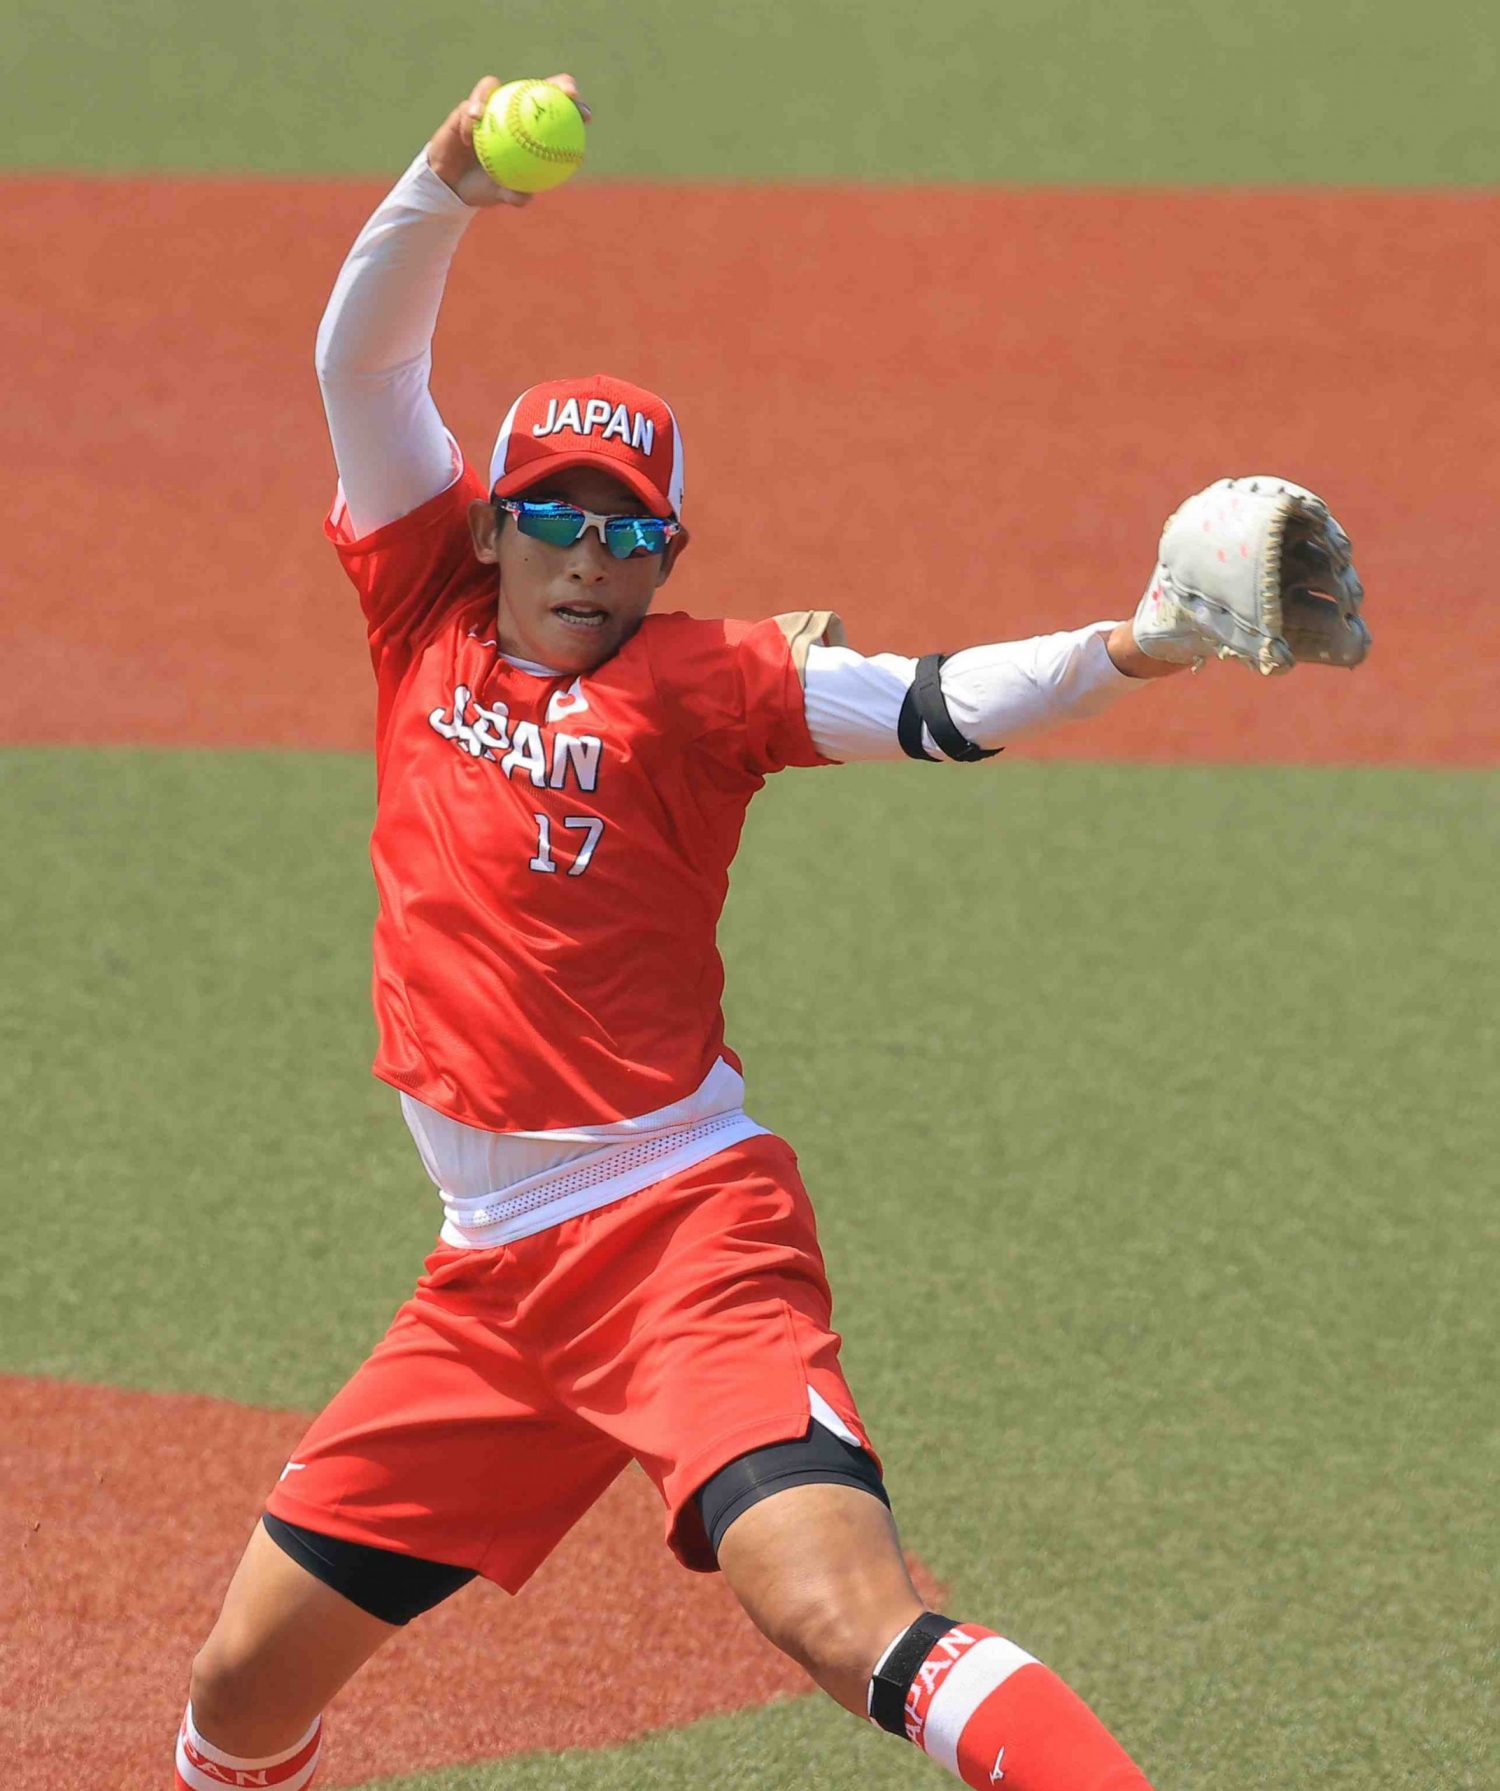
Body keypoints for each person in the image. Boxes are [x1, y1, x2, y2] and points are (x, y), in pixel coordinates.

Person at [171, 72, 1365, 1791]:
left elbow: (942, 703)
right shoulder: (418, 602)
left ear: (669, 554)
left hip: (677, 1237)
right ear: (496, 523)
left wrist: (1141, 644)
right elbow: (360, 367)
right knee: (240, 1694)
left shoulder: (716, 682)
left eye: (630, 532)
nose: (589, 557)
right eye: (558, 518)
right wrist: (443, 183)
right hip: (489, 1284)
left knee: (833, 1613)